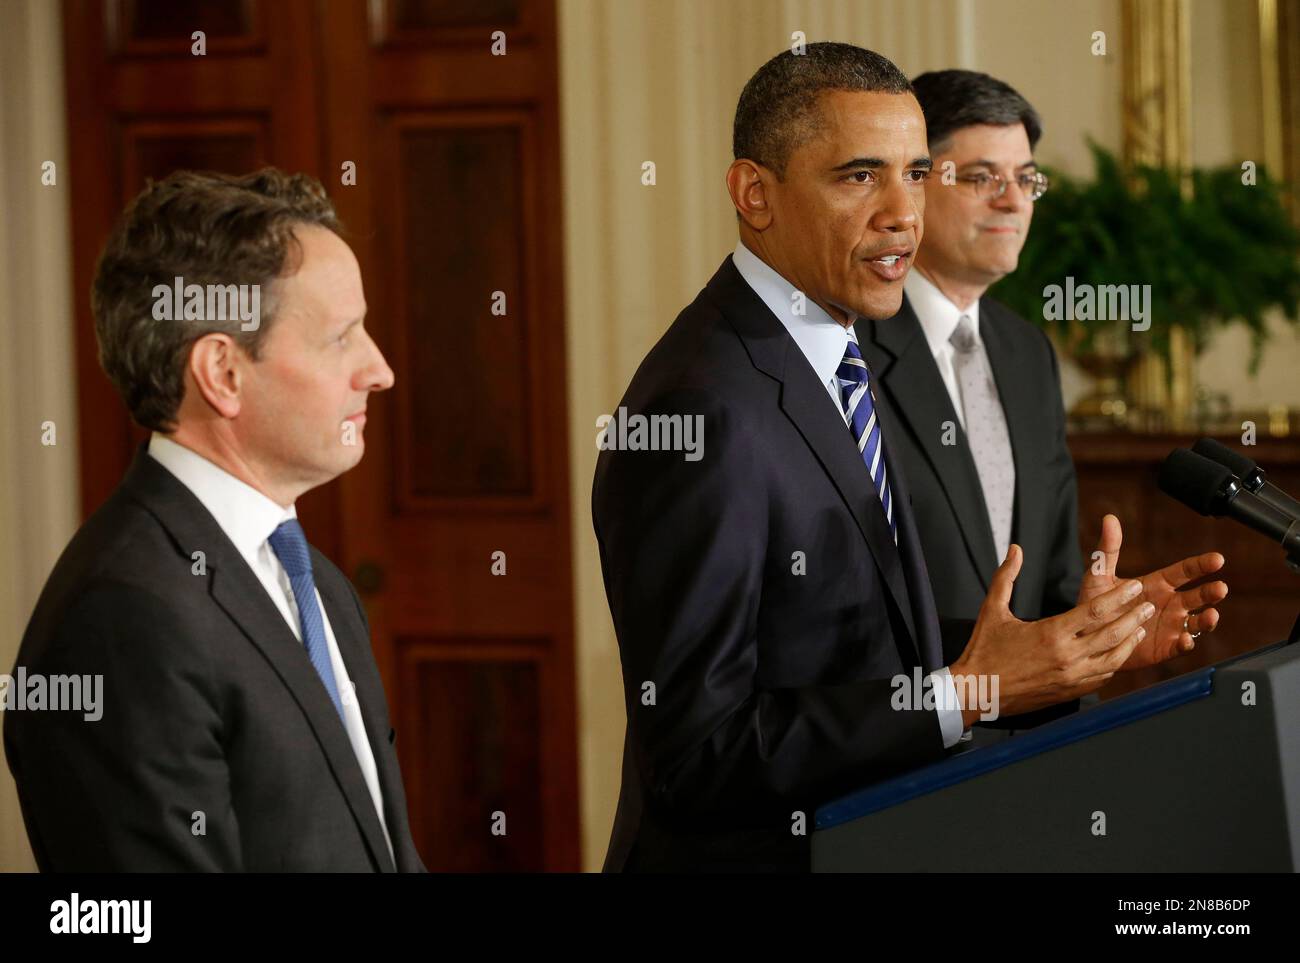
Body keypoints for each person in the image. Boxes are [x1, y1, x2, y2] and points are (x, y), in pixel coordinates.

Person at [592, 43, 1227, 872]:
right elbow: (696, 752)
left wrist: (1060, 648)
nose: (904, 214)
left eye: (918, 174)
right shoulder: (701, 403)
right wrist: (969, 693)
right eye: (860, 176)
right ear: (755, 193)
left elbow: (851, 641)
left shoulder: (826, 350)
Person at [4, 169, 424, 871]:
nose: (379, 369)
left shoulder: (315, 581)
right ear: (223, 373)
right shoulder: (120, 618)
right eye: (341, 337)